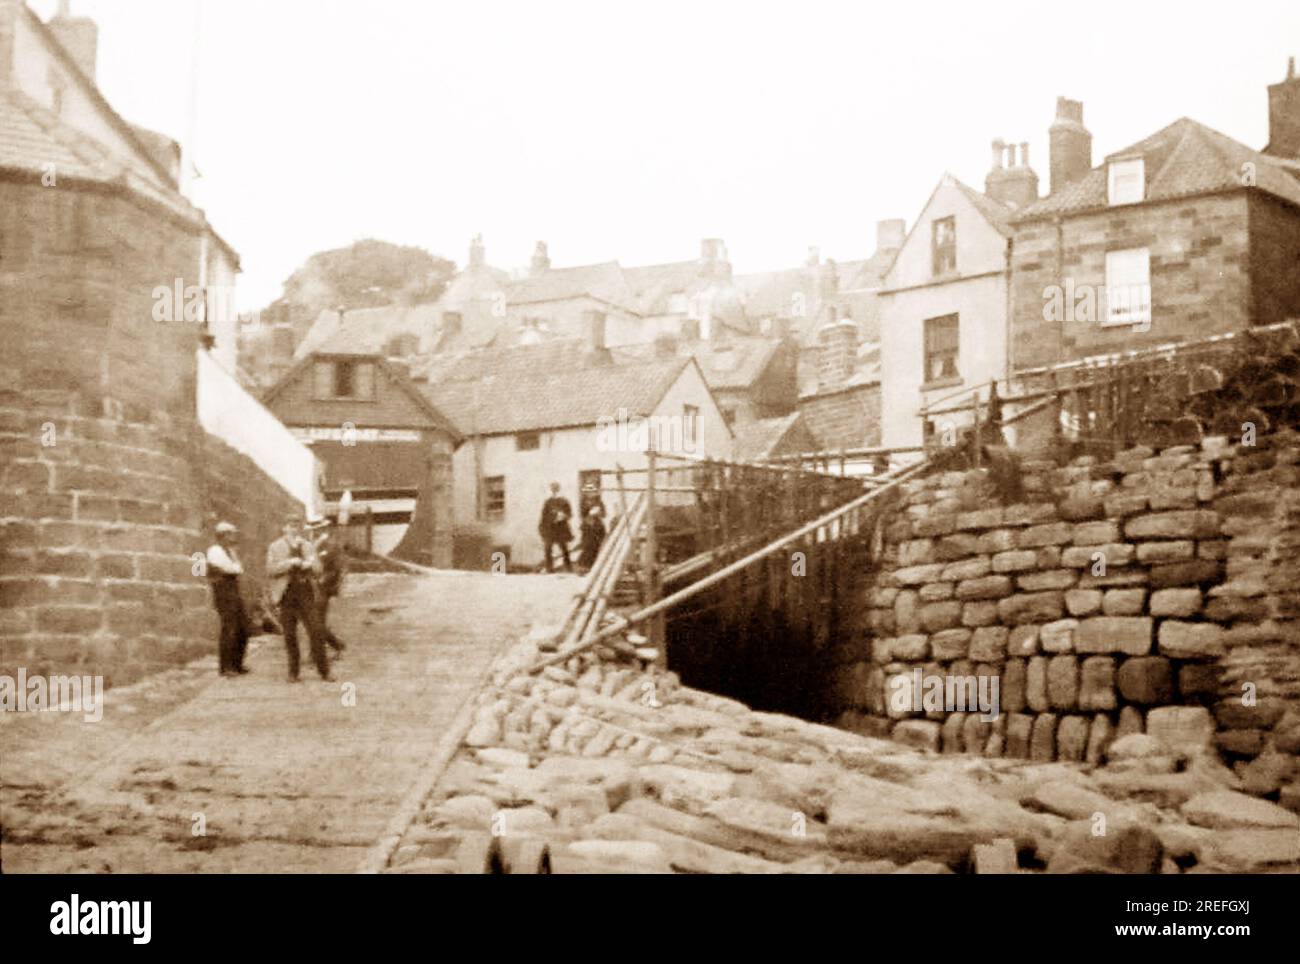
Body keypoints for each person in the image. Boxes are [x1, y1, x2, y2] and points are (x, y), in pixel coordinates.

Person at [266, 514, 332, 682]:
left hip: (305, 592)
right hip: (286, 594)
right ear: (284, 528)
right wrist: (290, 563)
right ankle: (293, 673)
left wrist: (310, 565)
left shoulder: (308, 546)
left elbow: (319, 569)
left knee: (316, 630)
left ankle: (324, 671)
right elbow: (270, 570)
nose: (294, 528)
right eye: (290, 525)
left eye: (297, 525)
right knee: (289, 634)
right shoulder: (275, 547)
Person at [206, 521, 250, 676]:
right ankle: (226, 667)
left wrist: (236, 565)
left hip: (233, 593)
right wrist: (235, 566)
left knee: (243, 627)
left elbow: (239, 569)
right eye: (231, 533)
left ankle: (237, 664)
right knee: (229, 629)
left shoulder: (230, 551)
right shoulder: (215, 550)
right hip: (223, 594)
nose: (234, 536)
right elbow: (232, 569)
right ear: (223, 535)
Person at [309, 518, 347, 654]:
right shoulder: (307, 545)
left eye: (318, 529)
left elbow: (336, 569)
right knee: (314, 622)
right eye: (313, 529)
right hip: (307, 588)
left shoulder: (331, 546)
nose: (315, 531)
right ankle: (335, 644)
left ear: (324, 529)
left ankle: (317, 652)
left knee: (317, 621)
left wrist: (322, 580)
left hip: (322, 589)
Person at [537, 481, 573, 572]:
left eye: (556, 488)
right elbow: (544, 516)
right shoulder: (548, 502)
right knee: (548, 548)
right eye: (552, 488)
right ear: (551, 489)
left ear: (559, 488)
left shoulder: (564, 501)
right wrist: (542, 529)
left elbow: (569, 514)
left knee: (564, 548)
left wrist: (563, 516)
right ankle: (549, 568)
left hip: (561, 528)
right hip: (550, 529)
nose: (554, 490)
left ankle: (568, 567)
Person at [578, 504, 607, 572]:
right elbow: (583, 528)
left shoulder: (598, 521)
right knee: (586, 553)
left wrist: (601, 538)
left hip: (595, 541)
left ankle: (589, 567)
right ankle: (582, 567)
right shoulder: (588, 519)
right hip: (588, 539)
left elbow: (602, 531)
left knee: (593, 553)